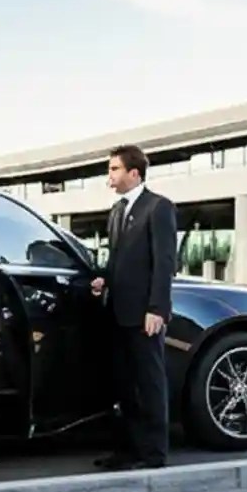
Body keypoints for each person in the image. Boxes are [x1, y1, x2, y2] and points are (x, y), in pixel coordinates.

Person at [90, 144, 177, 470]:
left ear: (134, 172)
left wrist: (157, 308)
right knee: (124, 385)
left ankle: (154, 454)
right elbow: (117, 259)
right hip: (117, 312)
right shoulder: (116, 211)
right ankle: (127, 450)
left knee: (149, 383)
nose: (109, 176)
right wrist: (104, 280)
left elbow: (164, 262)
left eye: (114, 169)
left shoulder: (158, 207)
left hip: (144, 314)